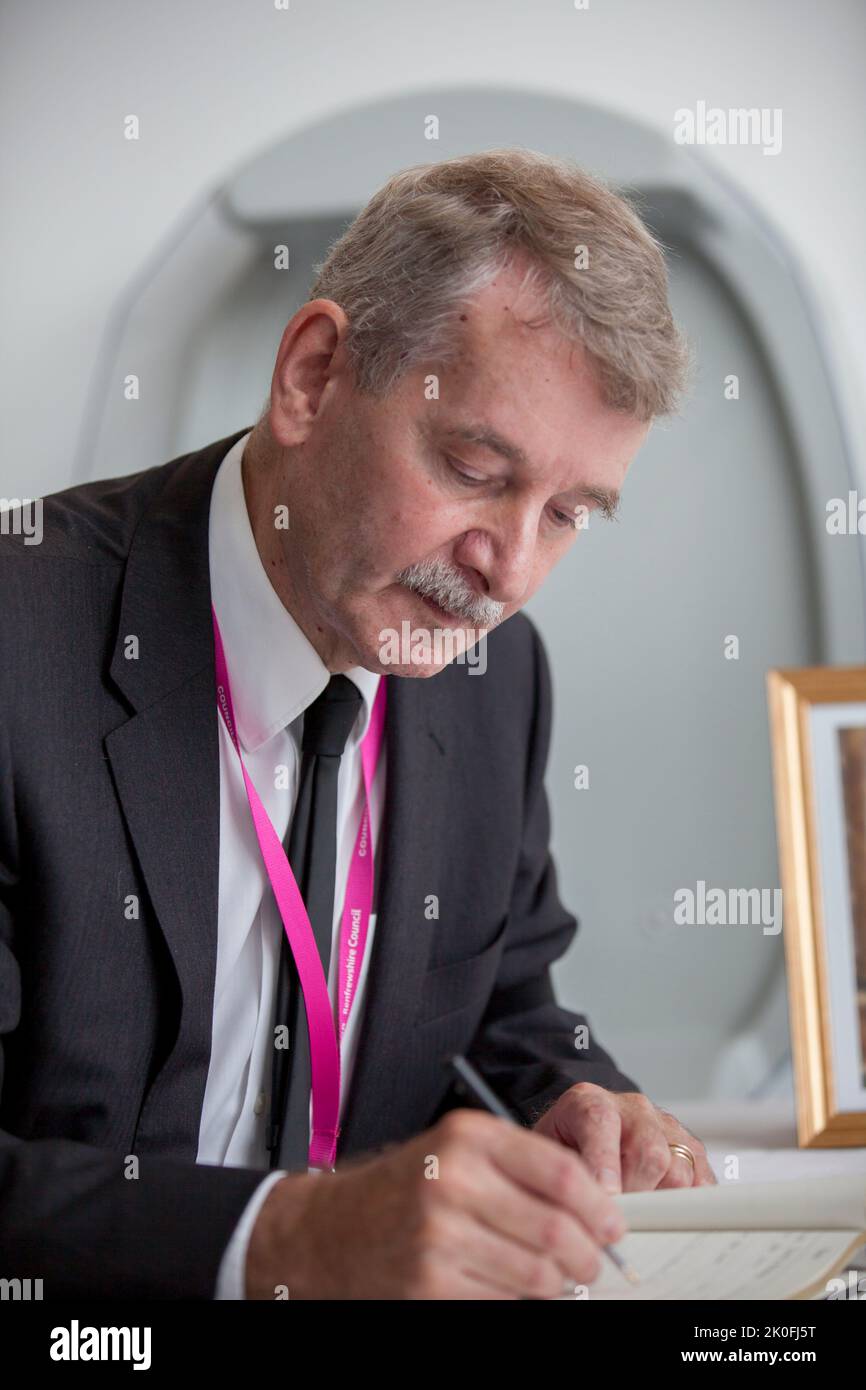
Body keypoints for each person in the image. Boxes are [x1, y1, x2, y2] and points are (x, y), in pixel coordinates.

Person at [0, 146, 714, 1302]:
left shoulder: (497, 677)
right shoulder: (17, 641)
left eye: (570, 514)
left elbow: (501, 1007)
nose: (511, 571)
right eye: (475, 469)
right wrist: (283, 1240)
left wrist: (572, 1101)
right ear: (314, 375)